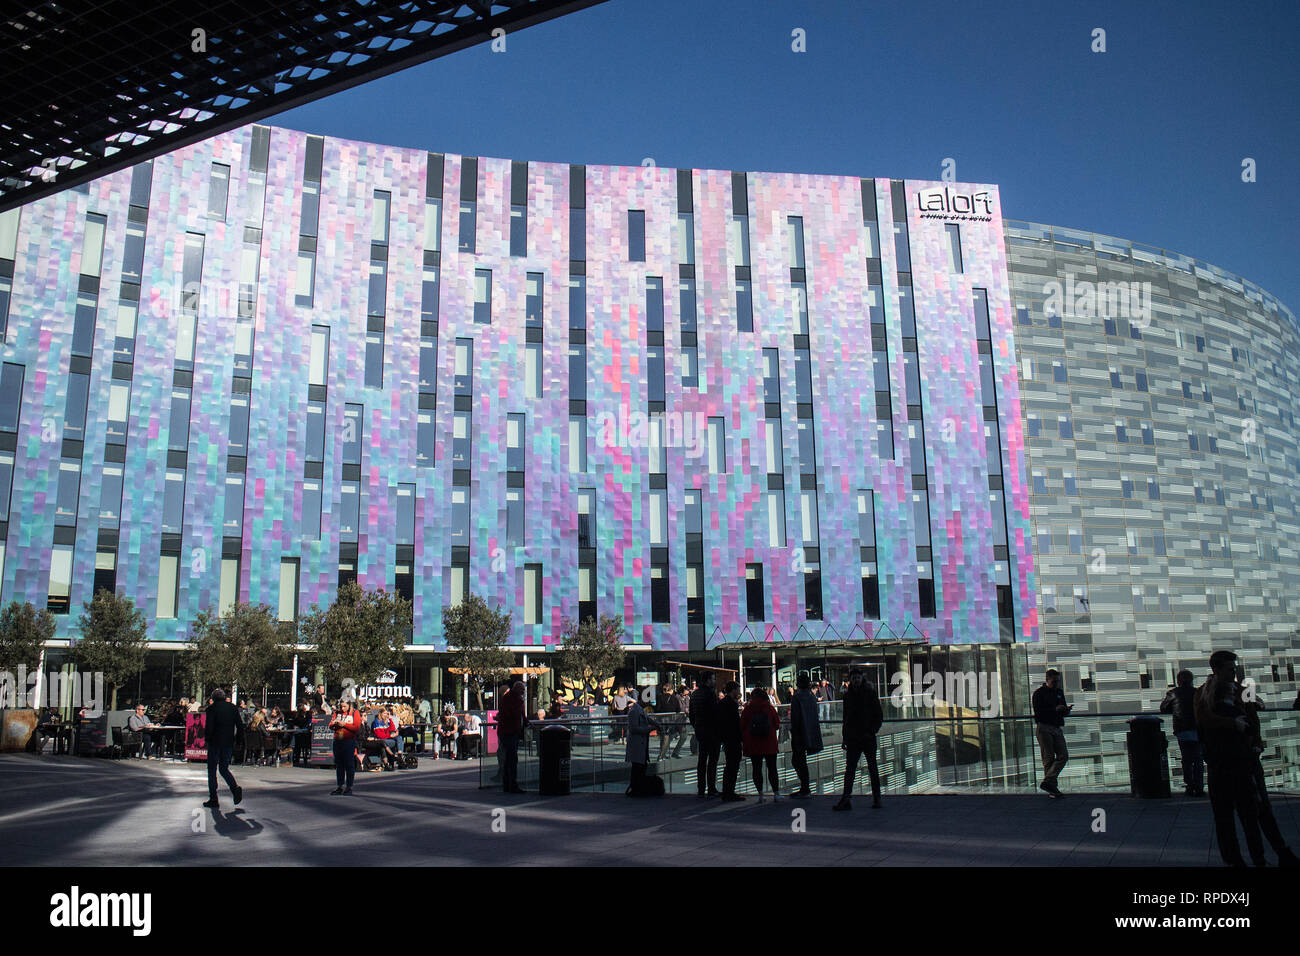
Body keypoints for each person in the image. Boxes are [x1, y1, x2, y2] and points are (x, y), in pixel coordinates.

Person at [1196, 651, 1299, 867]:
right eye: (1229, 669)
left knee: (1248, 812)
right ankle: (1248, 858)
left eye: (1234, 668)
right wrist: (1234, 725)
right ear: (1216, 669)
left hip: (1240, 759)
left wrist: (1256, 742)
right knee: (1235, 814)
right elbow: (1205, 720)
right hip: (1226, 760)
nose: (1234, 673)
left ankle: (1259, 857)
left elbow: (1253, 718)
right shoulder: (1205, 694)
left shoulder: (1242, 691)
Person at [834, 667, 883, 810]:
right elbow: (846, 718)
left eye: (858, 678)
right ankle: (848, 798)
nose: (856, 680)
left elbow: (878, 715)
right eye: (854, 678)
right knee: (852, 769)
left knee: (869, 768)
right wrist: (845, 737)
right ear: (851, 680)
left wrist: (871, 731)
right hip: (855, 738)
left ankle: (875, 798)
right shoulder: (848, 696)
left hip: (866, 736)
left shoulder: (869, 693)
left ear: (862, 679)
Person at [1160, 670, 1203, 796]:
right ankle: (1199, 787)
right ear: (1191, 680)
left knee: (1186, 759)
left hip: (1182, 729)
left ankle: (1189, 786)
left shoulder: (1173, 693)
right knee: (1198, 759)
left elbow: (1163, 708)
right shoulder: (1197, 693)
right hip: (1197, 729)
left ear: (1178, 680)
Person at [1031, 668, 1071, 798]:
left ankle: (1048, 783)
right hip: (1044, 727)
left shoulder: (1059, 692)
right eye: (1054, 682)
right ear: (1047, 680)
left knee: (1063, 755)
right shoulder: (1039, 694)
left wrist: (1065, 710)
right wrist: (1055, 709)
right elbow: (1038, 713)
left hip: (1056, 726)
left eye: (1057, 681)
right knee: (1048, 758)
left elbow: (1062, 711)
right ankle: (1052, 788)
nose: (1056, 684)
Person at [202, 689, 243, 810]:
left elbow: (209, 726)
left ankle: (213, 798)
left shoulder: (211, 709)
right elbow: (240, 726)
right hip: (228, 742)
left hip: (215, 742)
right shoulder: (233, 708)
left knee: (212, 770)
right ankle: (234, 788)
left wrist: (207, 739)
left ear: (213, 698)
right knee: (224, 768)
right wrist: (239, 741)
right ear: (224, 697)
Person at [741, 687, 780, 801]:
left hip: (754, 744)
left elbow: (742, 725)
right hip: (769, 743)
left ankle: (761, 794)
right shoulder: (769, 708)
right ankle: (776, 794)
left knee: (756, 769)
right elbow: (777, 724)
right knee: (772, 769)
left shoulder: (748, 709)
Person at [789, 673, 823, 797]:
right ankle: (805, 787)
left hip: (799, 733)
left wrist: (793, 731)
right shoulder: (811, 696)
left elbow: (795, 717)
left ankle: (805, 787)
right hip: (809, 731)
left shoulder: (797, 697)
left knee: (798, 760)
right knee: (801, 761)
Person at [688, 673, 721, 797]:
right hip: (711, 731)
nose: (714, 681)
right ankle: (711, 788)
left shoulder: (694, 694)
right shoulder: (710, 694)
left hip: (700, 730)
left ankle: (701, 788)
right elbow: (715, 713)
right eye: (713, 679)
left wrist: (696, 726)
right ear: (708, 680)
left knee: (702, 760)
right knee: (712, 760)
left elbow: (691, 714)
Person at [624, 695, 661, 794]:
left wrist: (656, 725)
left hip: (640, 744)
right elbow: (634, 729)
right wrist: (651, 728)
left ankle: (637, 788)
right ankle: (636, 788)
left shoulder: (639, 710)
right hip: (637, 744)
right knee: (638, 768)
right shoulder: (634, 711)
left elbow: (648, 719)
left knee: (640, 767)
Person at [497, 681, 528, 793]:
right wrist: (525, 723)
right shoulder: (516, 700)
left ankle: (507, 784)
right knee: (512, 759)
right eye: (522, 690)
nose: (523, 693)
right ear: (518, 690)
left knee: (508, 759)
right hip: (511, 732)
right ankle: (512, 784)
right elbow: (518, 714)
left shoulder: (506, 698)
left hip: (505, 731)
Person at [717, 681, 745, 802]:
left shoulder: (722, 703)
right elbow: (735, 722)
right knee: (733, 765)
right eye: (737, 690)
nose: (738, 692)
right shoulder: (731, 704)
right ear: (733, 690)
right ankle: (729, 792)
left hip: (726, 738)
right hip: (733, 738)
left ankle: (727, 791)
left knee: (729, 765)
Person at [329, 698, 363, 794]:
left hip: (348, 740)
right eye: (341, 706)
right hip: (338, 739)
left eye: (344, 706)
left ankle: (349, 786)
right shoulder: (337, 713)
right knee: (339, 764)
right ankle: (340, 786)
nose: (342, 708)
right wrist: (334, 724)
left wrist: (345, 724)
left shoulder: (355, 713)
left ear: (349, 705)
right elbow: (330, 725)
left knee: (349, 764)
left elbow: (356, 727)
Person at [656, 682, 684, 760]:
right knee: (667, 737)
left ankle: (662, 754)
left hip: (661, 719)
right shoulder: (674, 698)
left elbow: (657, 709)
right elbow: (678, 709)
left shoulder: (660, 697)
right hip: (671, 720)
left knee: (663, 738)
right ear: (671, 690)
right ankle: (661, 755)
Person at [291, 700, 313, 765]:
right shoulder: (300, 716)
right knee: (296, 738)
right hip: (302, 734)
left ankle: (292, 748)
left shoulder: (305, 716)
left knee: (295, 735)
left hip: (304, 733)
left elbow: (302, 724)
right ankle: (294, 752)